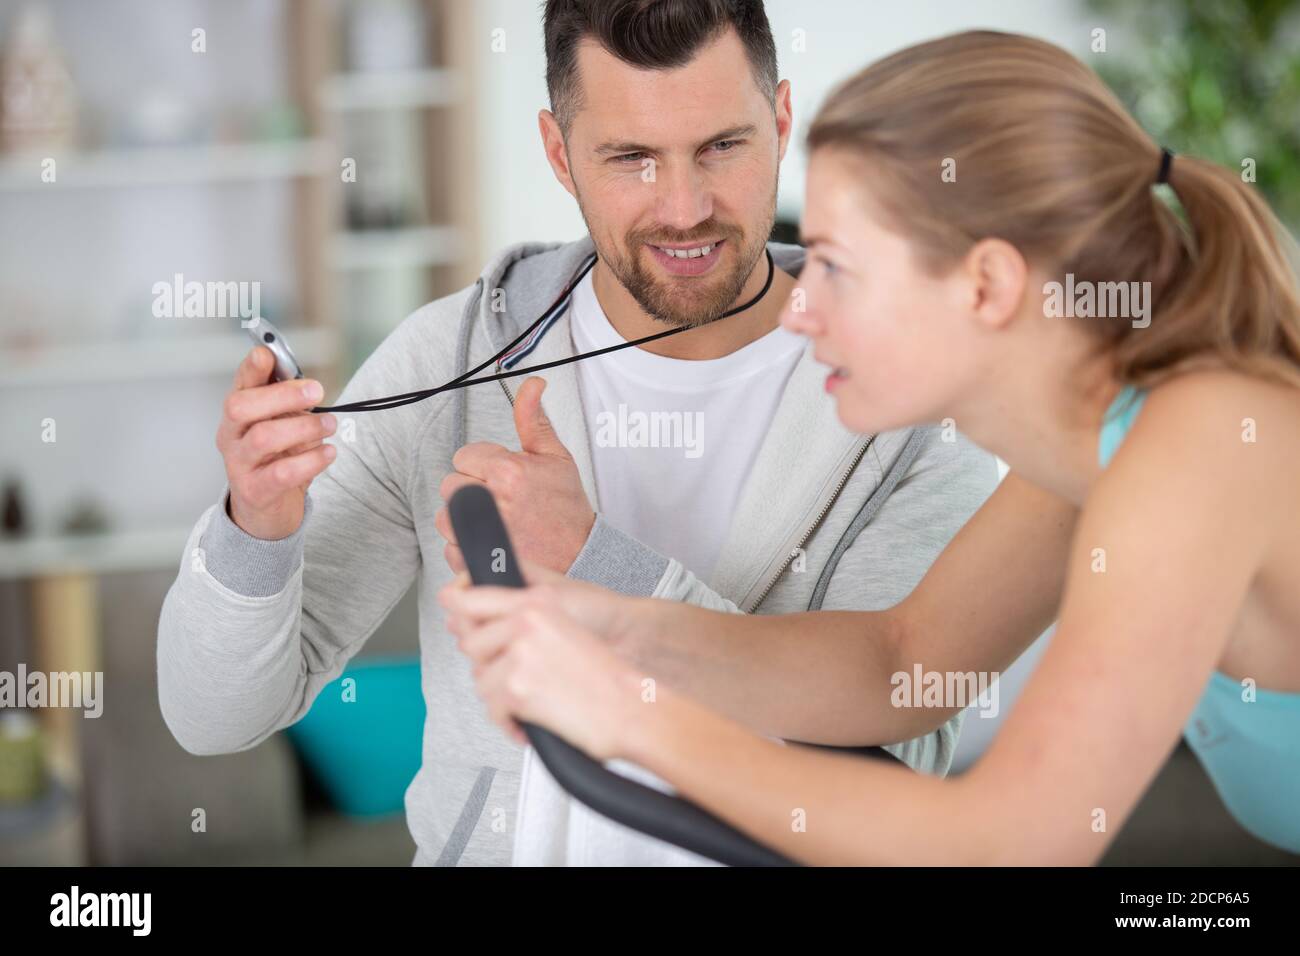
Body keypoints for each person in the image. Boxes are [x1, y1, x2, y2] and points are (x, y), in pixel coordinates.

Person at [155, 2, 998, 866]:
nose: (685, 209)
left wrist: (599, 563)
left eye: (722, 146)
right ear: (559, 154)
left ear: (781, 122)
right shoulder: (448, 363)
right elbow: (212, 719)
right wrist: (255, 527)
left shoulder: (916, 406)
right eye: (632, 158)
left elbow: (892, 779)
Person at [442, 30, 1300, 863]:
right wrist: (618, 629)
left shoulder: (1196, 452)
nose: (799, 308)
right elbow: (902, 663)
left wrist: (626, 713)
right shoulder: (1100, 451)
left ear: (986, 284)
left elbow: (1012, 843)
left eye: (836, 266)